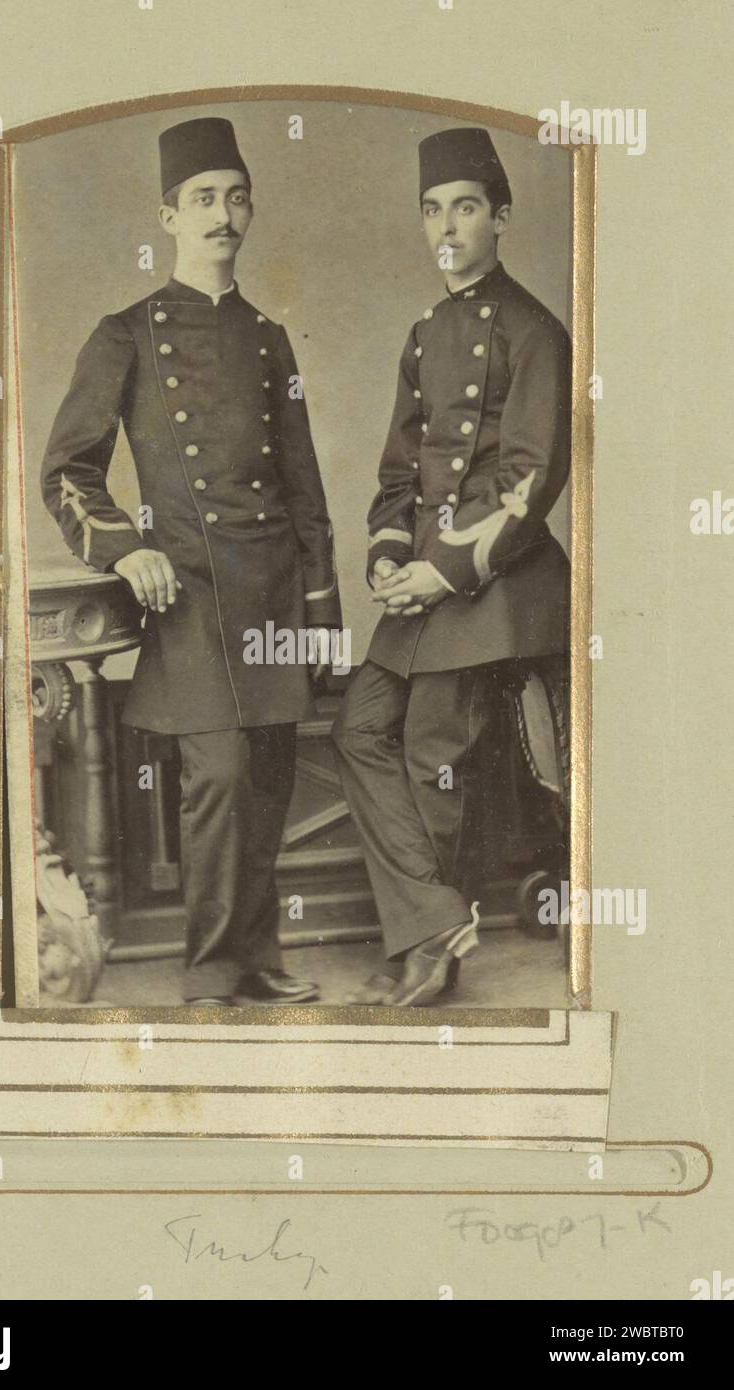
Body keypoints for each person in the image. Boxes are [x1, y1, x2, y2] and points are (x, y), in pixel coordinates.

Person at [41, 117, 340, 1006]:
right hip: (192, 595)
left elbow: (305, 490)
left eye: (234, 197)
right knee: (218, 780)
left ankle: (255, 958)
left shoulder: (268, 338)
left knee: (269, 780)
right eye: (202, 199)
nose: (221, 213)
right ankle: (210, 972)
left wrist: (320, 614)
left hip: (274, 591)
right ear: (168, 216)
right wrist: (125, 549)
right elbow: (67, 473)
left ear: (248, 214)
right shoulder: (126, 334)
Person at [331, 127, 571, 1006]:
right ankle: (434, 919)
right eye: (432, 210)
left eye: (464, 207)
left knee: (434, 752)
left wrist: (444, 569)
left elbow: (530, 478)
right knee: (357, 730)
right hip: (426, 585)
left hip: (493, 586)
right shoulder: (424, 332)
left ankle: (433, 951)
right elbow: (399, 470)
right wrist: (391, 554)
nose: (447, 227)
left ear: (500, 217)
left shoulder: (534, 329)